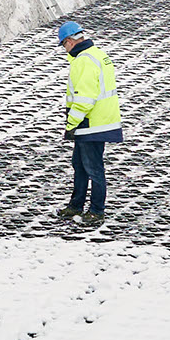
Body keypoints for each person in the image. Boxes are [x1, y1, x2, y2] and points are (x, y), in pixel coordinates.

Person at [57, 21, 124, 221]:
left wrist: (71, 124)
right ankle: (76, 205)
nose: (64, 49)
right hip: (98, 121)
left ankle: (96, 210)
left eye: (63, 45)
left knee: (93, 168)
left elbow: (85, 99)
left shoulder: (84, 61)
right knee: (79, 164)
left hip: (90, 124)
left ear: (69, 42)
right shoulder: (98, 54)